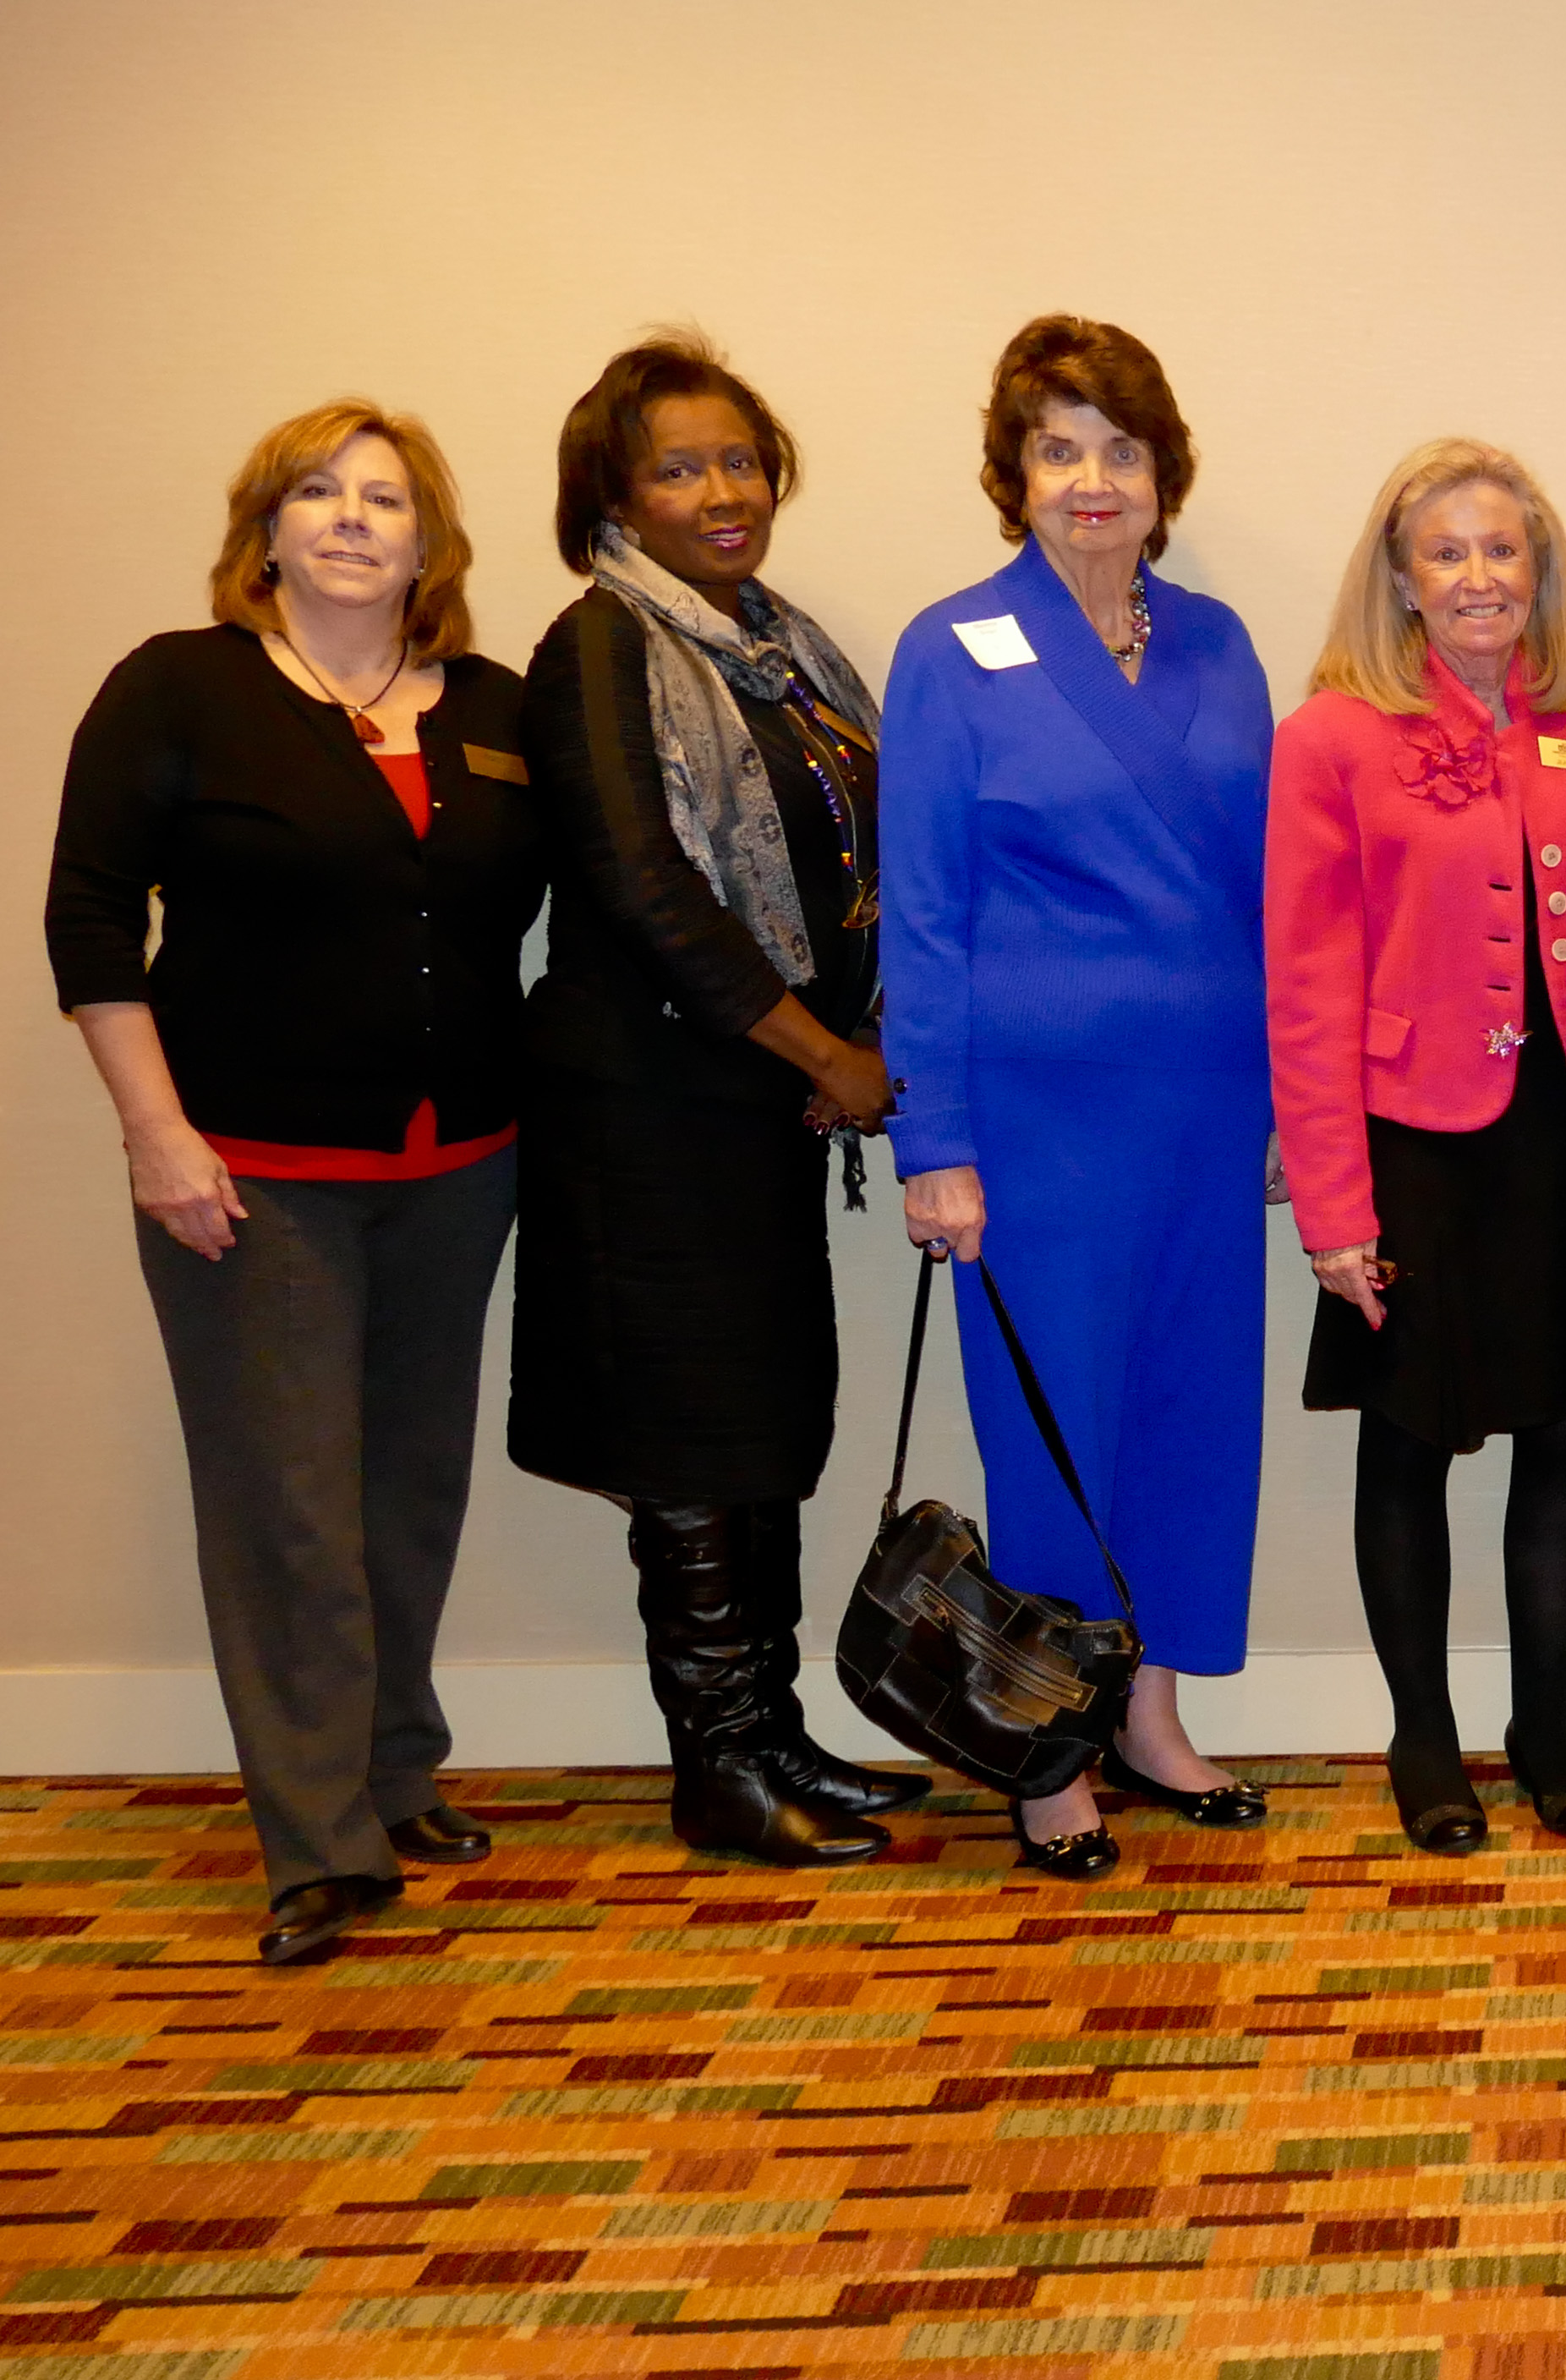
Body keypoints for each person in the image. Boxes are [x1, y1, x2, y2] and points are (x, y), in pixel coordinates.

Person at [47, 403, 542, 1963]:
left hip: (459, 1166)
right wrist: (155, 1132)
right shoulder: (179, 688)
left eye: (383, 497)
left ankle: (395, 1773)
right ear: (264, 530)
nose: (349, 518)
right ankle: (317, 1844)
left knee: (408, 1489)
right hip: (251, 1179)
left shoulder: (495, 707)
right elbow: (88, 920)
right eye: (315, 493)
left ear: (428, 539)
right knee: (288, 1506)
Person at [513, 332, 923, 1868]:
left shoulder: (783, 651)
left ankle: (777, 1728)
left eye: (739, 458)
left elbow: (847, 873)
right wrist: (825, 1055)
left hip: (751, 1109)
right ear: (615, 493)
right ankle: (718, 1767)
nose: (722, 489)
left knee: (764, 1427)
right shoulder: (603, 646)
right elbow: (642, 887)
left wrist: (844, 1037)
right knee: (693, 1445)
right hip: (646, 1114)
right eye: (678, 466)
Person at [883, 316, 1277, 1880]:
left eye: (1121, 449)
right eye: (1059, 449)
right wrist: (936, 1141)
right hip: (1038, 1130)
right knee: (1052, 1439)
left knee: (1190, 1415)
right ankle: (1047, 1750)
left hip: (1207, 1109)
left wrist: (1290, 1109)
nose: (1093, 480)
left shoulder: (1221, 644)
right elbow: (921, 912)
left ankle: (1152, 1715)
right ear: (1015, 476)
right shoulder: (948, 647)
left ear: (1165, 475)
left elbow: (1274, 893)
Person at [1269, 438, 1566, 1853]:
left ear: (1541, 567)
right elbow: (1304, 977)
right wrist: (1330, 1203)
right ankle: (1422, 1736)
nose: (1481, 576)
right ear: (1402, 577)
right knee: (1409, 1443)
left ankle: (1545, 1727)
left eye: (1506, 549)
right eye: (1449, 552)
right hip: (1414, 1136)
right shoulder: (1331, 735)